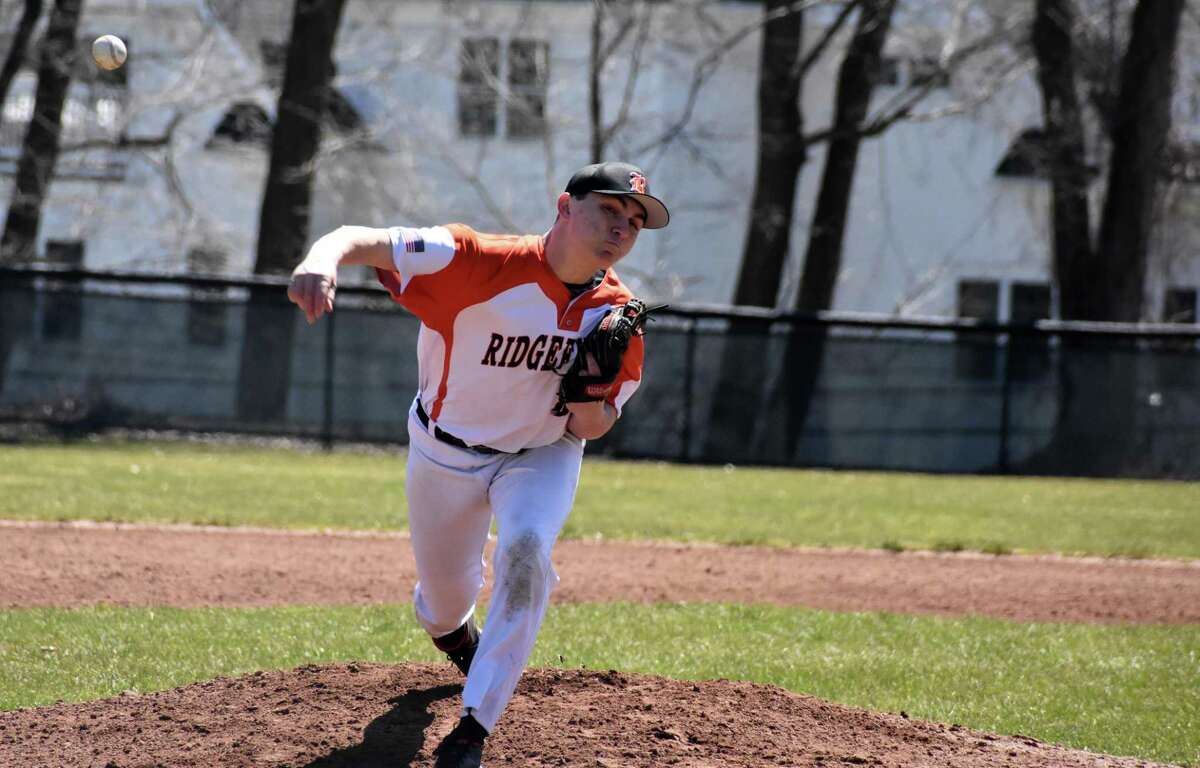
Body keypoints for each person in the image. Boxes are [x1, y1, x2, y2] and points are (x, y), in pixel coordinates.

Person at [287, 161, 669, 768]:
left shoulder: (616, 316)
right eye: (609, 210)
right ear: (565, 208)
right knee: (443, 604)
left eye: (634, 222)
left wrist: (590, 396)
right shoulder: (474, 259)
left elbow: (592, 428)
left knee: (526, 552)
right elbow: (361, 238)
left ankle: (473, 727)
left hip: (542, 453)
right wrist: (320, 262)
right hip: (446, 451)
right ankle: (453, 634)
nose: (621, 228)